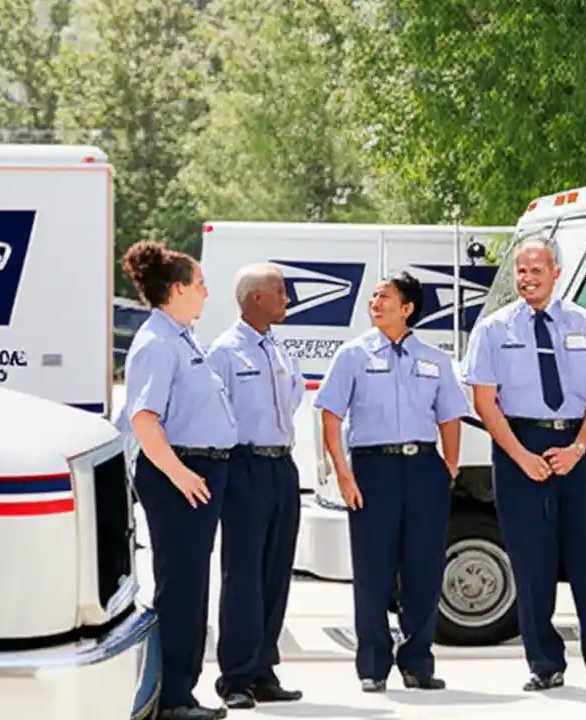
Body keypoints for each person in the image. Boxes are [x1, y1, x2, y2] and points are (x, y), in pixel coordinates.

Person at [462, 237, 586, 692]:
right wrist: (522, 457)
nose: (527, 279)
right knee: (532, 561)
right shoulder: (495, 330)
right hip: (521, 446)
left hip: (580, 448)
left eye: (536, 270)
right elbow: (485, 402)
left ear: (556, 272)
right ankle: (544, 663)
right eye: (521, 271)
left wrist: (579, 448)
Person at [313, 270, 467, 693]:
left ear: (408, 308)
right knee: (372, 571)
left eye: (385, 297)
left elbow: (450, 416)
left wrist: (448, 468)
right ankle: (373, 666)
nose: (375, 304)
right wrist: (343, 473)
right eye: (374, 297)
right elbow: (330, 414)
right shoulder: (352, 355)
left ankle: (418, 663)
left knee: (423, 568)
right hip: (373, 470)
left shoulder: (435, 360)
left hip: (423, 470)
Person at [117, 239, 236, 720]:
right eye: (202, 285)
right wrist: (182, 475)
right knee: (180, 588)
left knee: (191, 586)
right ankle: (170, 699)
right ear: (179, 289)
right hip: (178, 474)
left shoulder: (182, 336)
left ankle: (182, 691)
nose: (207, 294)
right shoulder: (158, 342)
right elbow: (144, 420)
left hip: (195, 471)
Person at [206, 264, 306, 707]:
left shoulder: (279, 349)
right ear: (254, 299)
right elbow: (215, 412)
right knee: (243, 574)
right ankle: (236, 677)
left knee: (275, 572)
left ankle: (264, 668)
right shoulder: (226, 352)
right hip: (244, 467)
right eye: (279, 291)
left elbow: (294, 399)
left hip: (281, 466)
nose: (287, 298)